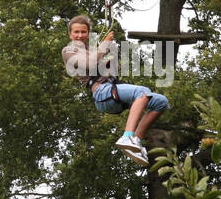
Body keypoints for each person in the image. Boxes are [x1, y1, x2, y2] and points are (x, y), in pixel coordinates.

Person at [62, 14, 169, 167]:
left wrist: (110, 64)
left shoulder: (92, 51)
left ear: (88, 34)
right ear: (70, 34)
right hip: (102, 93)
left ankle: (135, 144)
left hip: (112, 92)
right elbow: (89, 64)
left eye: (83, 32)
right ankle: (127, 136)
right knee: (143, 92)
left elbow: (102, 66)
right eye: (76, 32)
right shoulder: (69, 51)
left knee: (161, 102)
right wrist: (104, 45)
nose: (80, 35)